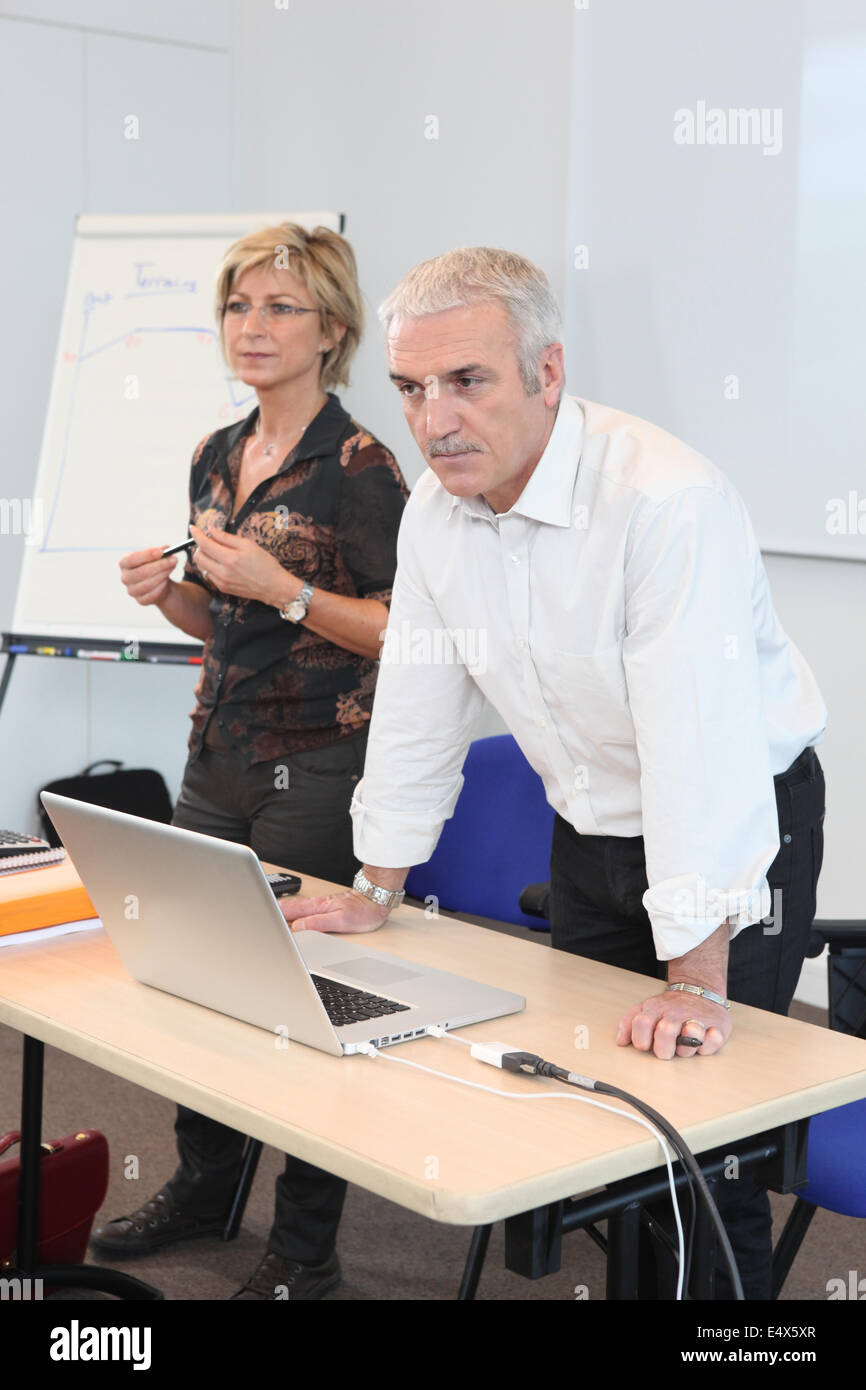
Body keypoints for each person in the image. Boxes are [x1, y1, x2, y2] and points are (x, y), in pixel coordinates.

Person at [281, 246, 828, 1300]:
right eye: (410, 388)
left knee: (700, 1144)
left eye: (466, 381)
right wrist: (375, 884)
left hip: (734, 818)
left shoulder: (664, 504)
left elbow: (694, 748)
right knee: (597, 1114)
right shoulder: (438, 513)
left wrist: (694, 978)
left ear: (546, 371)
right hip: (587, 821)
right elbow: (418, 704)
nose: (434, 419)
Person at [93, 223, 408, 1301]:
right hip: (214, 754)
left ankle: (305, 1248)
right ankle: (202, 1185)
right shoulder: (216, 452)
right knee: (199, 978)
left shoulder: (362, 468)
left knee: (306, 998)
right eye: (238, 306)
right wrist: (171, 596)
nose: (253, 327)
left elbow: (406, 634)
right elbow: (223, 625)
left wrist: (283, 588)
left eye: (280, 308)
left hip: (319, 763)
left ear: (331, 328)